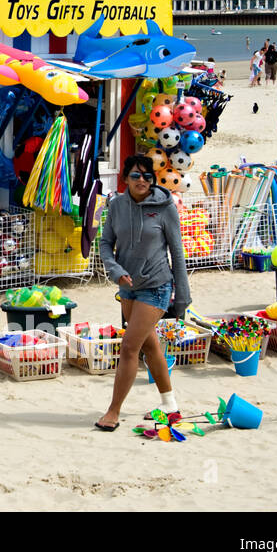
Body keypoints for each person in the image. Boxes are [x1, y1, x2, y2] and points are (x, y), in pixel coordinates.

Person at [95, 155, 189, 431]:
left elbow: (177, 253)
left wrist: (182, 298)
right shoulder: (116, 206)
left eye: (148, 176)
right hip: (127, 288)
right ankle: (170, 406)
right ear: (125, 178)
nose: (142, 181)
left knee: (129, 347)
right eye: (136, 175)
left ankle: (113, 411)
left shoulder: (165, 207)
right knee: (150, 346)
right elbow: (105, 244)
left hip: (157, 286)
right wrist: (115, 271)